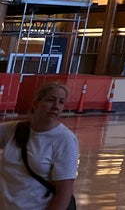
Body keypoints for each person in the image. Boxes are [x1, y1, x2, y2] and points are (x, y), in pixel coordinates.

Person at [0, 80, 78, 210]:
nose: (56, 106)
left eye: (61, 102)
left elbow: (64, 193)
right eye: (50, 100)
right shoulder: (13, 130)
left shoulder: (65, 140)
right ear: (36, 103)